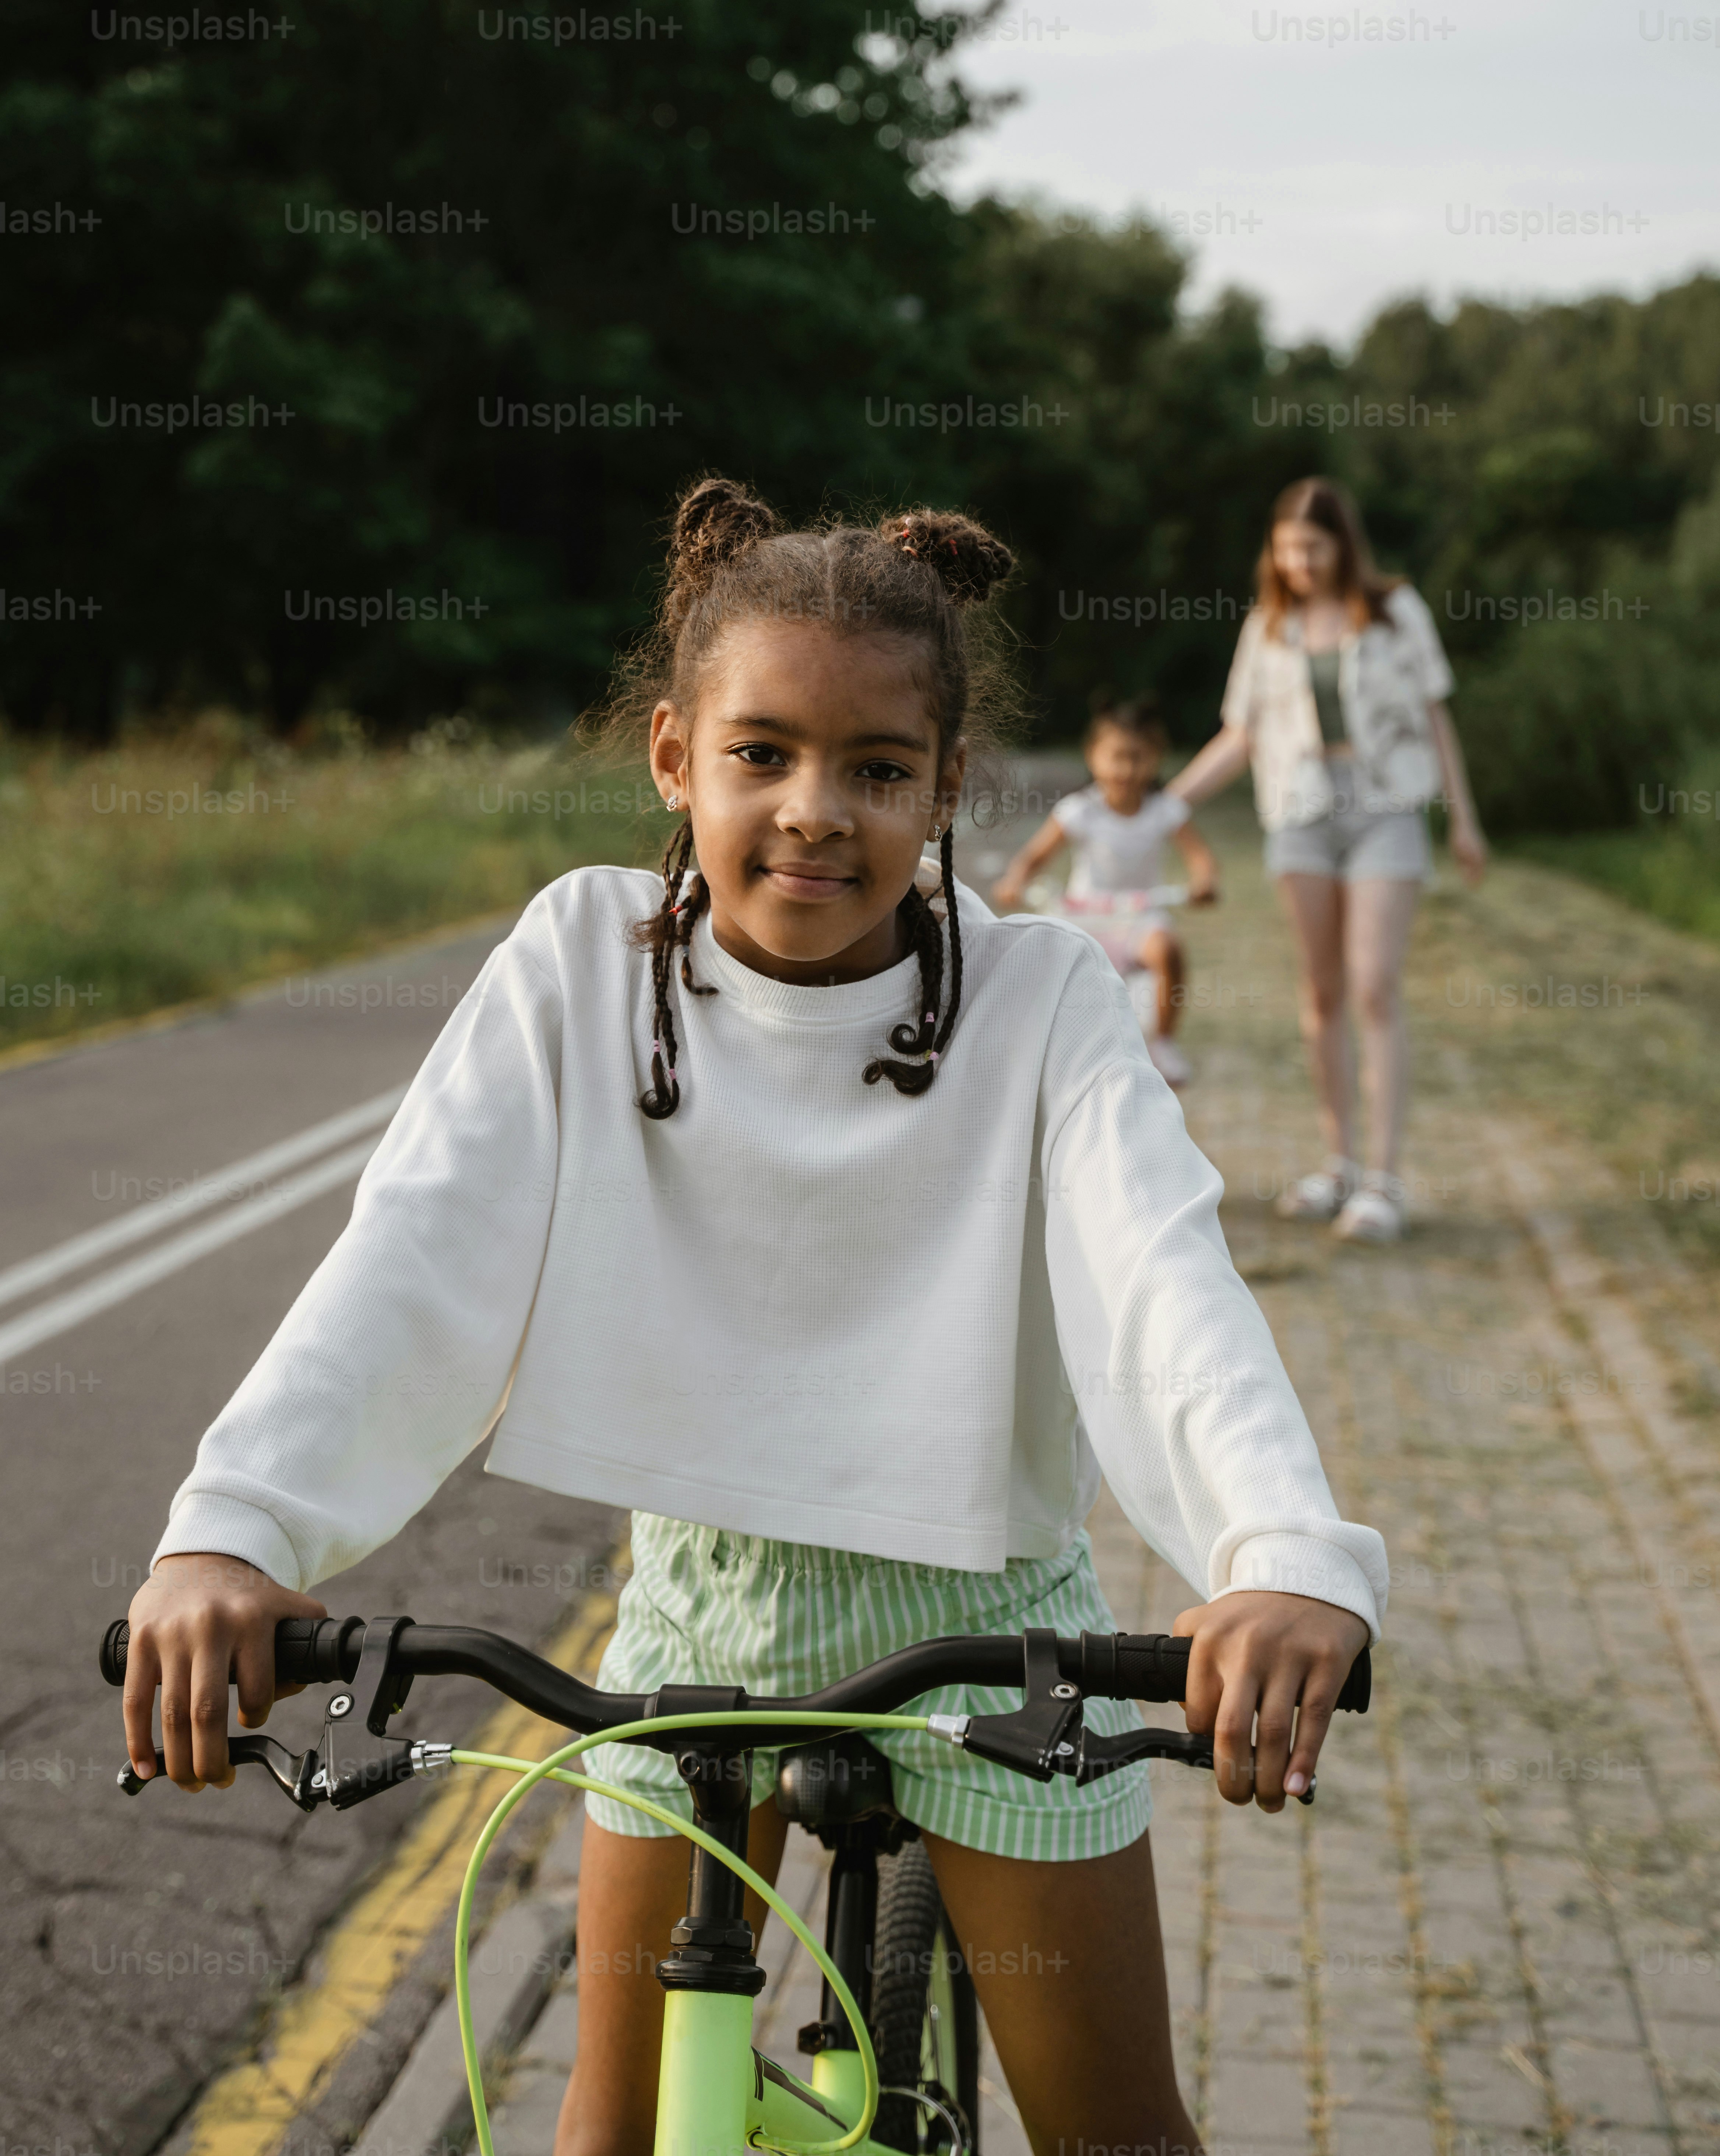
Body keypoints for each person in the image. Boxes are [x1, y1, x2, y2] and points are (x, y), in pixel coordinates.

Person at [120, 478, 1384, 2156]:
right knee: (614, 2132)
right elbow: (411, 1251)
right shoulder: (582, 961)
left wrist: (1279, 1552)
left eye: (876, 769)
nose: (813, 812)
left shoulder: (1041, 997)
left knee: (1117, 2131)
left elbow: (1159, 1282)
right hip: (695, 1625)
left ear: (947, 789)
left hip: (992, 1641)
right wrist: (234, 1527)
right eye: (761, 753)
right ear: (672, 756)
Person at [1165, 476, 1487, 1244]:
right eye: (1285, 550)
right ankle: (1335, 1163)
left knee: (1373, 986)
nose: (1297, 562)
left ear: (1342, 545)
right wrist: (1162, 806)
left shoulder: (1393, 612)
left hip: (1384, 809)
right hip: (1301, 815)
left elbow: (1435, 714)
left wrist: (1464, 819)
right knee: (1320, 992)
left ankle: (1383, 1181)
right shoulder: (1266, 628)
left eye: (1310, 548)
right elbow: (1237, 737)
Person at [991, 693, 1219, 1088]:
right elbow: (1034, 857)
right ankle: (1033, 1043)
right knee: (1043, 959)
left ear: (1156, 758)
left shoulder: (1165, 810)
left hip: (1140, 919)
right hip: (1086, 918)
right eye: (1116, 756)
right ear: (1093, 756)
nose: (1126, 769)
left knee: (1167, 951)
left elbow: (1200, 858)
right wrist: (1016, 879)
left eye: (1138, 757)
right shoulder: (1081, 810)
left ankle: (1162, 1042)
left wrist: (1205, 882)